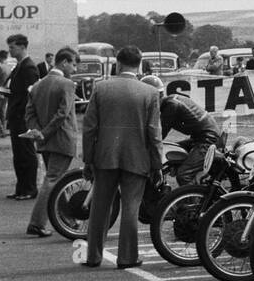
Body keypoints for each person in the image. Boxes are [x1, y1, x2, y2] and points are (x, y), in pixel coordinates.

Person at [81, 46, 162, 268]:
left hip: (105, 156)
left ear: (117, 63)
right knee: (130, 208)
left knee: (99, 207)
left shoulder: (101, 88)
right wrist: (157, 164)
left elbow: (89, 128)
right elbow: (154, 133)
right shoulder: (150, 93)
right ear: (140, 63)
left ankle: (93, 256)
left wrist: (88, 160)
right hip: (137, 158)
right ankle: (127, 257)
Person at [23, 48, 80, 237]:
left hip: (45, 143)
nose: (74, 68)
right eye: (73, 64)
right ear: (64, 62)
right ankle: (37, 223)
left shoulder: (38, 85)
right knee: (53, 181)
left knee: (56, 181)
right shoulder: (67, 84)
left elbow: (29, 114)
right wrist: (45, 133)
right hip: (62, 140)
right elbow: (63, 114)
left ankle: (67, 220)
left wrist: (38, 132)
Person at [5, 34, 41, 199]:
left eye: (12, 47)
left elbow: (31, 95)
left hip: (23, 118)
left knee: (26, 153)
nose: (10, 50)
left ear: (22, 47)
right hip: (15, 116)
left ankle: (30, 189)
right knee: (18, 154)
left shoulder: (29, 67)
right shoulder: (19, 66)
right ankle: (21, 188)